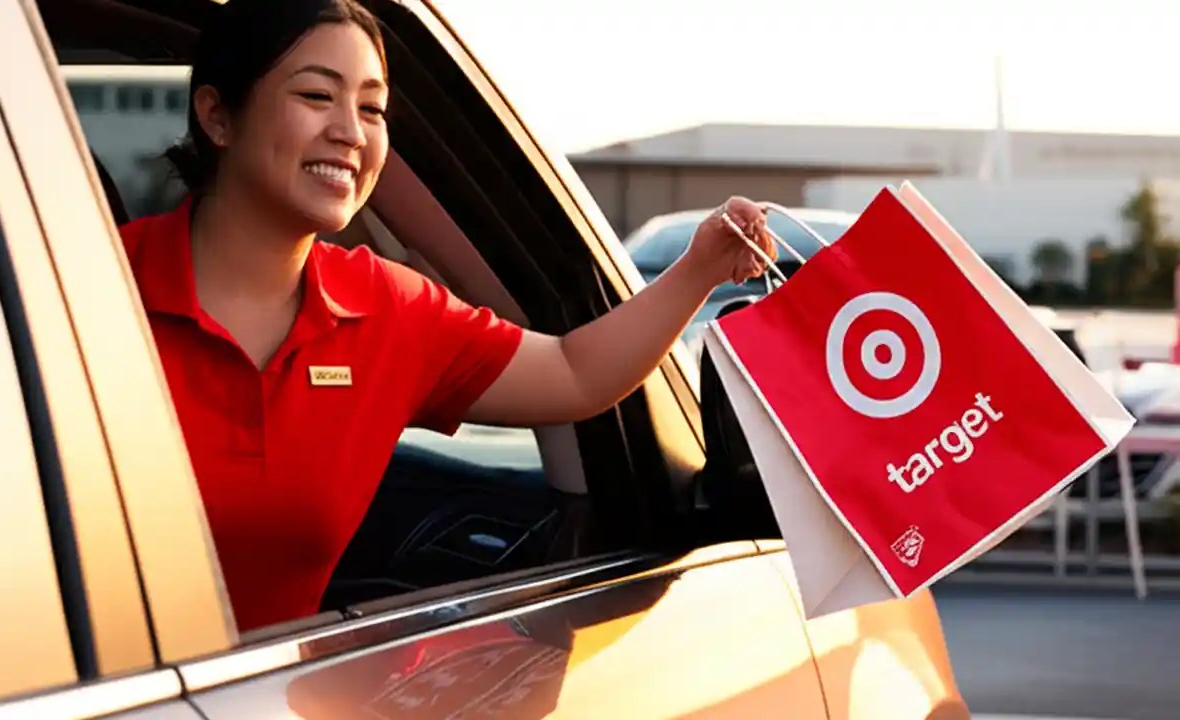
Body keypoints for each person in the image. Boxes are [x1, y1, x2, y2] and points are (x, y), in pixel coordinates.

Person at [118, 0, 776, 633]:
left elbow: (575, 374)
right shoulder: (91, 281)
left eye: (372, 107)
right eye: (316, 96)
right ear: (217, 115)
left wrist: (699, 268)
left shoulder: (384, 309)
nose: (351, 130)